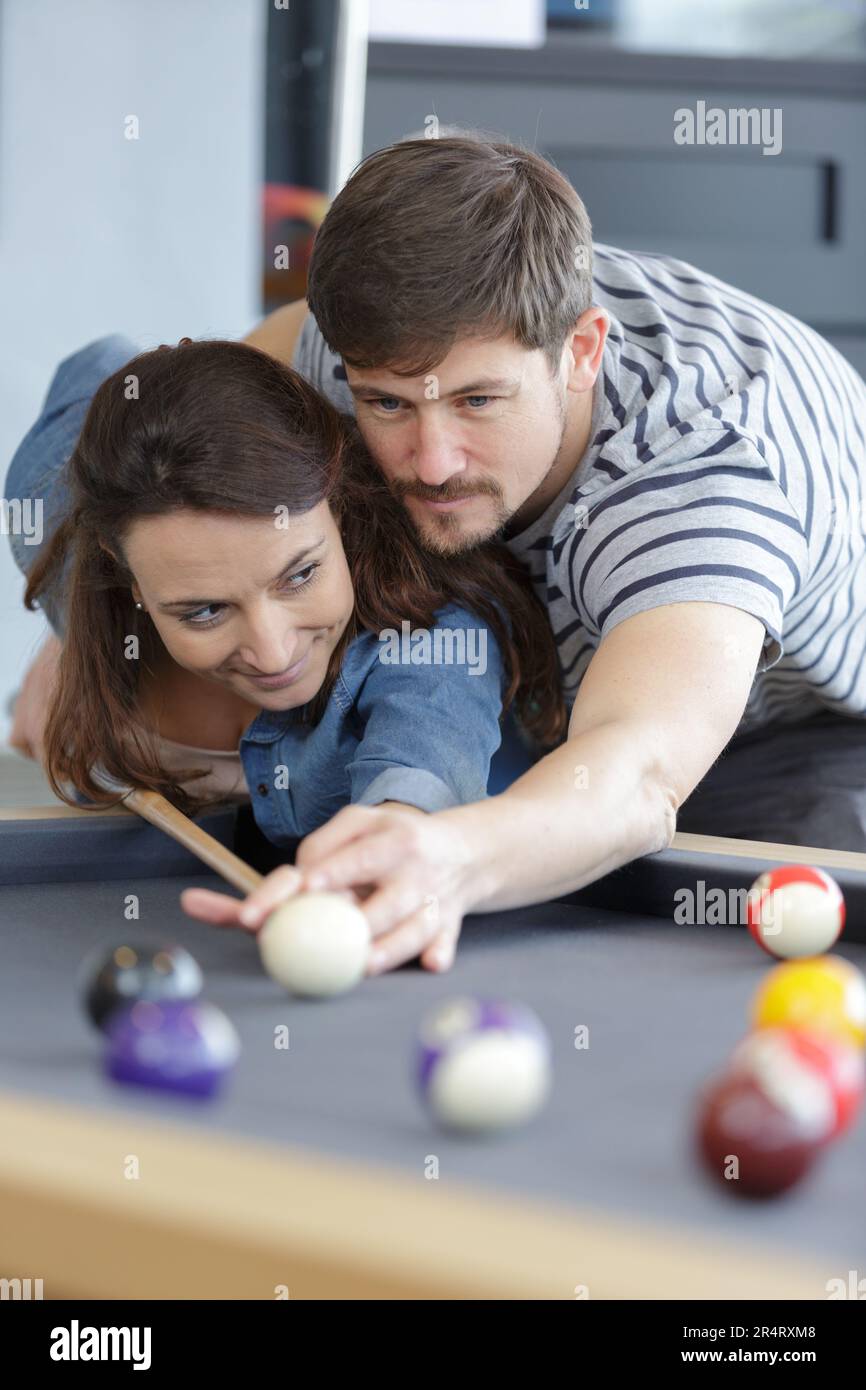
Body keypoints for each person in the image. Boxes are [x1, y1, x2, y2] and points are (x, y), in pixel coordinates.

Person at [10, 135, 866, 973]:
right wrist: (102, 614)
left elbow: (637, 772)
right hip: (541, 678)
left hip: (777, 728)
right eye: (385, 405)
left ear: (581, 351)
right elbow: (196, 472)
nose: (431, 461)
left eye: (478, 400)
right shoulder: (359, 344)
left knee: (752, 946)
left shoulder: (700, 473)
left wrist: (447, 857)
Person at [4, 333, 563, 971]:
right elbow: (96, 363)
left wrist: (385, 846)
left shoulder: (433, 639)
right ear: (121, 572)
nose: (272, 654)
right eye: (203, 611)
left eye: (299, 575)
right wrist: (70, 646)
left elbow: (424, 763)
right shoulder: (55, 513)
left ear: (339, 503)